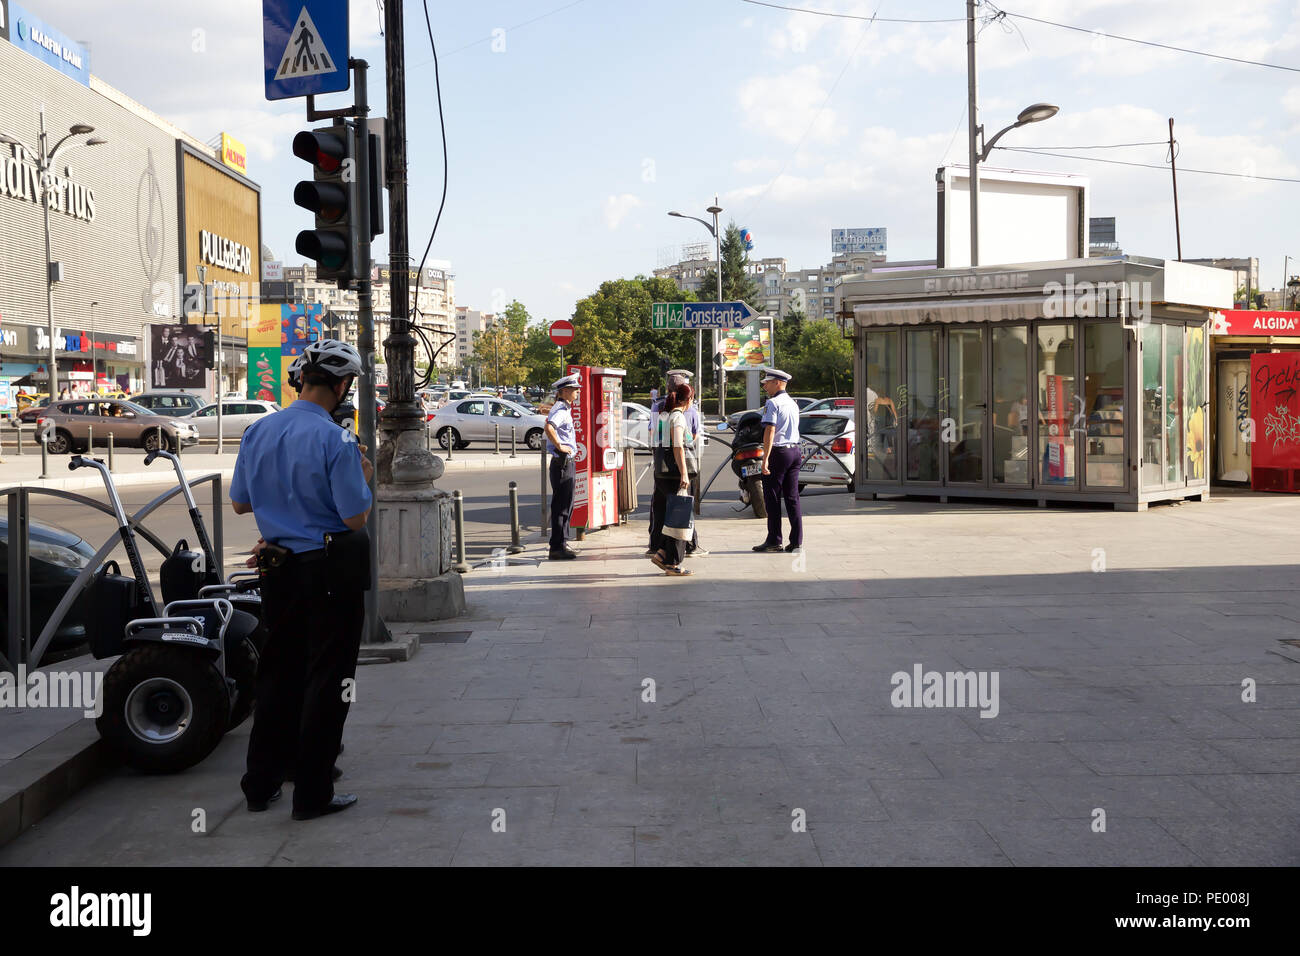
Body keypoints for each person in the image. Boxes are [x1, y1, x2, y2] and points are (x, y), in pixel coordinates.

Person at [230, 339, 372, 821]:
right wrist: (363, 475)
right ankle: (312, 793)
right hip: (328, 572)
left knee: (277, 676)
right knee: (328, 681)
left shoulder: (257, 431)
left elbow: (241, 503)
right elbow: (354, 518)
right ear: (340, 384)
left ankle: (261, 784)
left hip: (277, 570)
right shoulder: (337, 440)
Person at [647, 369, 708, 558]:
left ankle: (656, 544)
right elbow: (692, 436)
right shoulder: (688, 410)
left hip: (661, 460)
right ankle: (688, 545)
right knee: (682, 504)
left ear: (667, 387)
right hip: (682, 462)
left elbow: (652, 433)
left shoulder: (658, 407)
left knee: (659, 503)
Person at [752, 368, 803, 554]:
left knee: (772, 498)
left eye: (767, 382)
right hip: (794, 451)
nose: (764, 386)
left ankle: (774, 540)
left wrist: (765, 459)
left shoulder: (772, 404)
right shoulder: (793, 403)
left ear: (778, 383)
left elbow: (769, 431)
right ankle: (796, 540)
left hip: (779, 452)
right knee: (792, 497)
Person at [649, 382, 696, 576]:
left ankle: (662, 553)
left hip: (662, 473)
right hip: (674, 473)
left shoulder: (665, 415)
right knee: (679, 516)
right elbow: (678, 446)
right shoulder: (678, 417)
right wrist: (684, 473)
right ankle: (673, 563)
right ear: (689, 399)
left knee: (666, 515)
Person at [545, 374, 580, 560]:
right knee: (562, 506)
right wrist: (560, 446)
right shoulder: (561, 410)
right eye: (574, 389)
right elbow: (549, 427)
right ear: (563, 391)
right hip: (562, 462)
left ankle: (562, 543)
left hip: (564, 462)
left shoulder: (563, 408)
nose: (577, 392)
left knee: (566, 504)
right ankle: (557, 546)